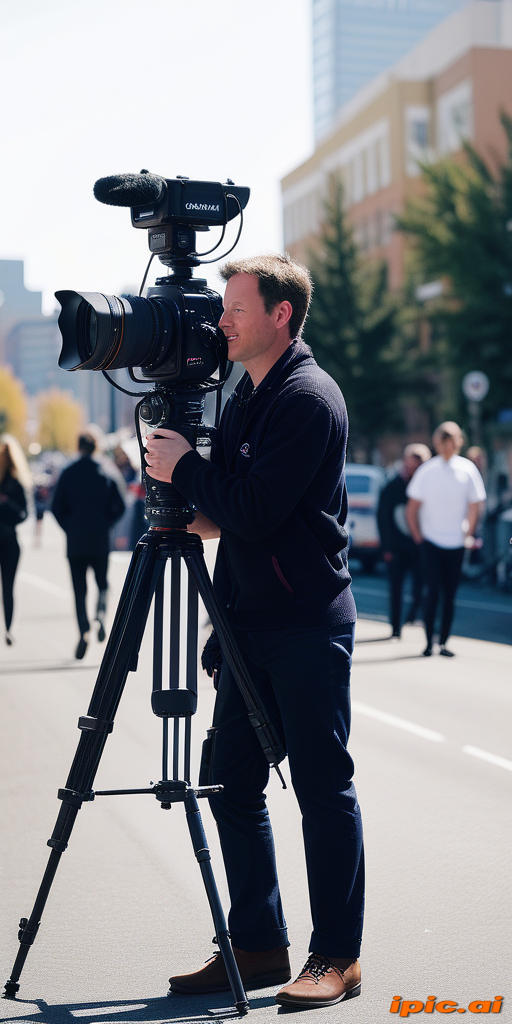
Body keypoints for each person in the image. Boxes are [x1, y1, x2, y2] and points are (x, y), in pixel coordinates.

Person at [145, 253, 364, 1010]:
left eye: (236, 308)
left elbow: (258, 508)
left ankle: (337, 955)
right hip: (251, 626)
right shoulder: (246, 394)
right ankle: (259, 943)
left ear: (280, 316)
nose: (221, 321)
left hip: (307, 623)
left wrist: (185, 473)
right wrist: (220, 625)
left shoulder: (307, 396)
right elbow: (233, 522)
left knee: (322, 788)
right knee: (230, 786)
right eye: (222, 308)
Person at [406, 422, 486, 657]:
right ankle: (429, 642)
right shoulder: (427, 470)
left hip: (457, 542)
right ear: (437, 443)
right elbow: (412, 509)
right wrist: (419, 538)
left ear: (458, 442)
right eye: (443, 441)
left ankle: (443, 642)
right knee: (432, 593)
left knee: (450, 595)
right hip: (430, 541)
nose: (448, 446)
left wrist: (468, 534)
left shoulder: (467, 469)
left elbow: (475, 505)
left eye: (452, 441)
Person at [52, 433, 125, 660]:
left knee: (79, 589)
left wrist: (69, 527)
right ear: (96, 448)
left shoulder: (68, 472)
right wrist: (107, 524)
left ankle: (83, 630)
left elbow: (56, 507)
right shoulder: (106, 472)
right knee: (102, 583)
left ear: (78, 446)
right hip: (100, 538)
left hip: (76, 541)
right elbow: (120, 505)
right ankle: (100, 615)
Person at [377, 443, 431, 638]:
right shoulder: (392, 486)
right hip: (396, 547)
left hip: (419, 546)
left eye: (416, 467)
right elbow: (383, 518)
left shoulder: (426, 488)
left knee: (420, 588)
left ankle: (412, 614)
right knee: (396, 589)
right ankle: (395, 627)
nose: (411, 471)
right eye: (409, 466)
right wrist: (387, 548)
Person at [0, 434, 30, 645]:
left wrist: (6, 502)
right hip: (10, 541)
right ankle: (9, 629)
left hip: (9, 540)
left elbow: (23, 514)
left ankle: (8, 628)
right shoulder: (17, 481)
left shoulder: (16, 483)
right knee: (8, 587)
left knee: (8, 587)